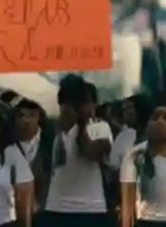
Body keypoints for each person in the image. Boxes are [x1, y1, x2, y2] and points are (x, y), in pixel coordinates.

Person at [43, 78, 113, 227]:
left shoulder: (100, 127)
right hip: (56, 207)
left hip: (91, 208)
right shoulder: (52, 129)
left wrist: (81, 124)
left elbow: (90, 152)